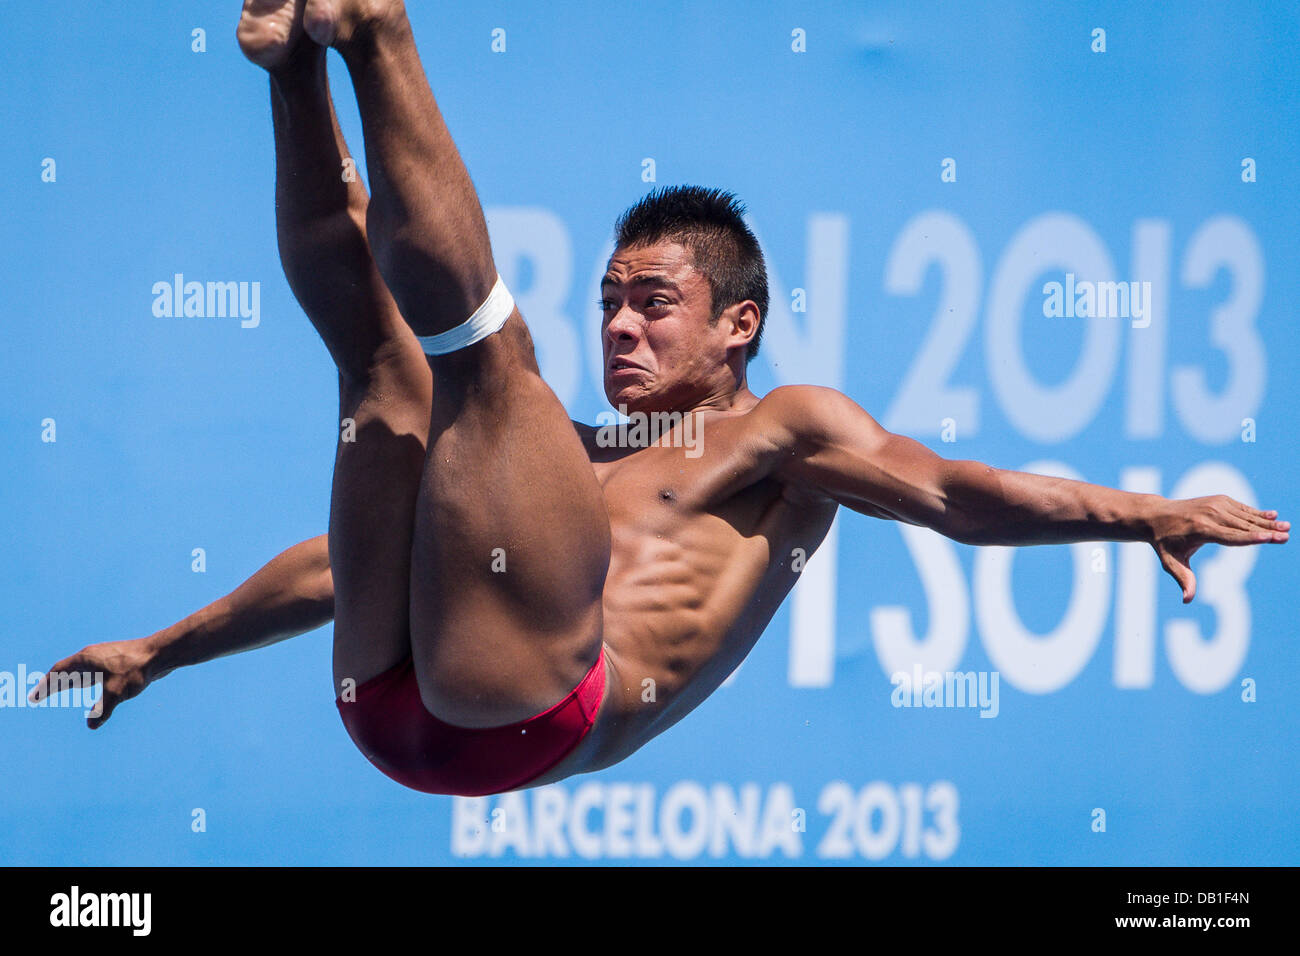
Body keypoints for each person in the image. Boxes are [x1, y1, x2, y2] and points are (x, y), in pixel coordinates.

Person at [30, 0, 1289, 796]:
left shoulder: (784, 433)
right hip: (389, 708)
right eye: (611, 301)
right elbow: (336, 573)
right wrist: (160, 648)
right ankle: (287, 64)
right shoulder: (562, 457)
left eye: (653, 302)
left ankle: (374, 28)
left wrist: (1139, 512)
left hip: (526, 717)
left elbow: (958, 494)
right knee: (376, 369)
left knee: (479, 361)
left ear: (738, 323)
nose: (621, 325)